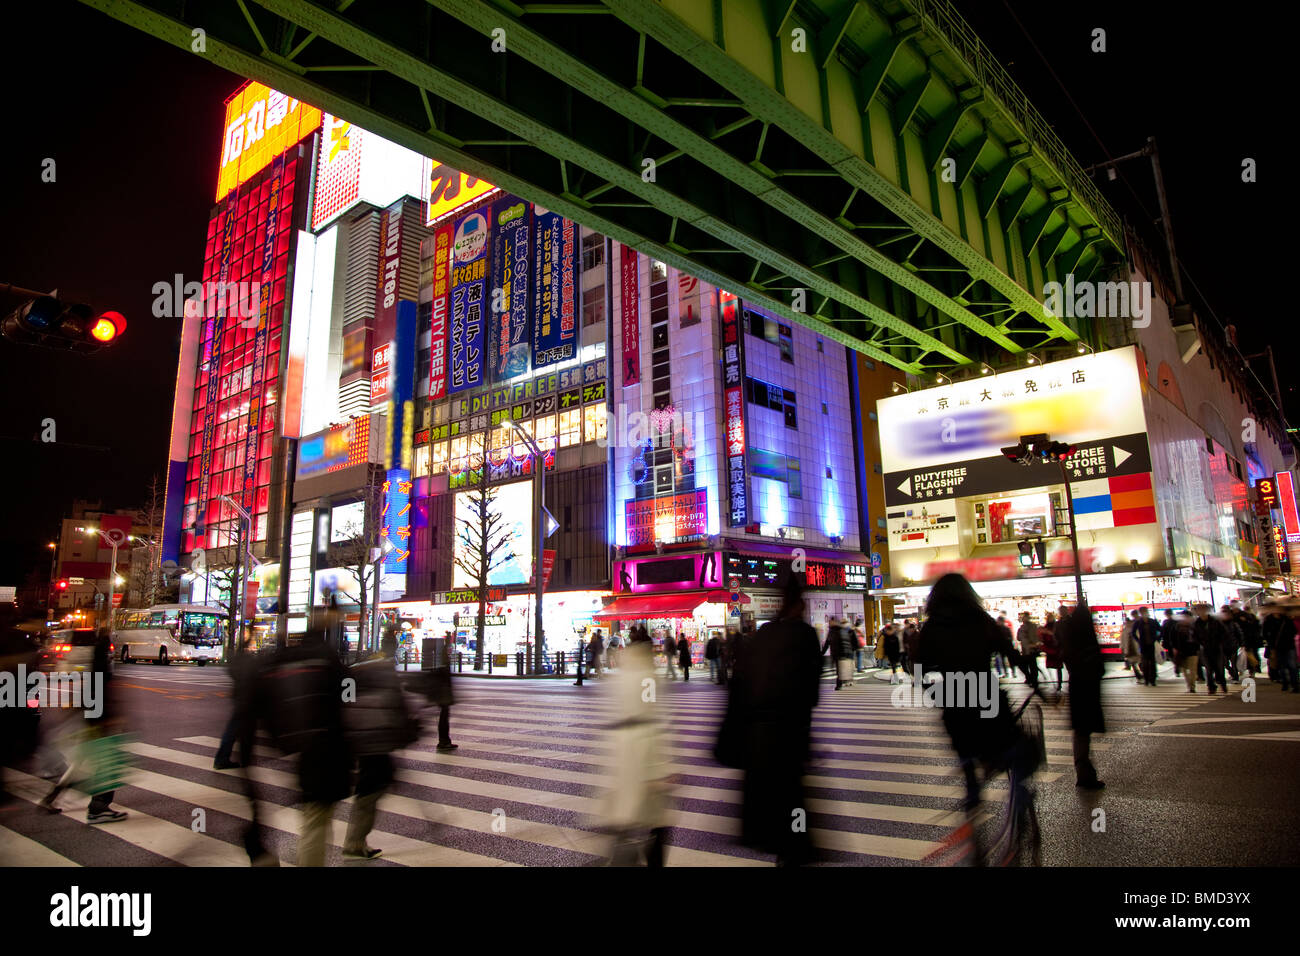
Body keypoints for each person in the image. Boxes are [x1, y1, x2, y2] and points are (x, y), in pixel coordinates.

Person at [727, 575, 821, 865]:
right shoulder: (804, 636)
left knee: (768, 818)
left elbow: (741, 686)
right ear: (800, 603)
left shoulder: (763, 636)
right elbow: (811, 694)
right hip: (789, 740)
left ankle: (781, 851)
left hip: (758, 744)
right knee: (793, 818)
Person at [916, 574, 1022, 809]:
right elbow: (1008, 650)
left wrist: (930, 689)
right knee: (1006, 738)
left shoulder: (932, 626)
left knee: (962, 740)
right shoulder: (979, 619)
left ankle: (972, 785)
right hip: (985, 690)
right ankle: (1011, 776)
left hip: (953, 693)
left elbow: (918, 666)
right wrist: (1031, 675)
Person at [263, 624, 351, 866]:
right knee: (317, 819)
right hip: (328, 750)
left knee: (315, 815)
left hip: (302, 750)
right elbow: (349, 701)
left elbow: (268, 708)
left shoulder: (288, 666)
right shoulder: (331, 665)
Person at [39, 630, 131, 823]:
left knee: (79, 764)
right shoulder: (102, 672)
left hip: (92, 722)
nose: (111, 653)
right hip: (99, 724)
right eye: (109, 650)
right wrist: (110, 721)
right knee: (106, 765)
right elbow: (101, 698)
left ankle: (51, 798)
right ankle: (99, 808)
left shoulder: (97, 671)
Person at [342, 630, 417, 860]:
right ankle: (354, 841)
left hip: (361, 737)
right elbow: (398, 706)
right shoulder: (386, 672)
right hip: (377, 737)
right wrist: (406, 730)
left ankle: (355, 839)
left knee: (372, 784)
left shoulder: (361, 666)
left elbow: (346, 697)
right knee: (373, 787)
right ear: (393, 649)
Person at [602, 627, 669, 865]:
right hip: (643, 754)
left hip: (621, 754)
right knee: (657, 823)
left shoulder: (623, 673)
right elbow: (649, 718)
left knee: (625, 820)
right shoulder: (646, 676)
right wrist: (659, 768)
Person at [1058, 605, 1105, 790]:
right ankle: (1085, 775)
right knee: (1084, 733)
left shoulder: (1071, 639)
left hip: (1077, 689)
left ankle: (1084, 772)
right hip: (1088, 691)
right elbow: (1098, 667)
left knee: (1081, 733)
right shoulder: (1088, 640)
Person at [215, 632, 259, 769]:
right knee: (240, 729)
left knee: (234, 728)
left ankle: (225, 758)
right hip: (247, 698)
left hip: (240, 697)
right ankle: (234, 759)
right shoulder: (248, 662)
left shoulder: (237, 660)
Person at [427, 632, 457, 751]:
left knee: (444, 717)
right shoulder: (442, 663)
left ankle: (445, 740)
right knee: (444, 718)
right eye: (450, 648)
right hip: (443, 694)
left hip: (444, 694)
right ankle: (444, 741)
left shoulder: (443, 661)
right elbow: (443, 679)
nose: (451, 650)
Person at [1193, 604, 1229, 695]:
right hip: (1205, 649)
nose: (1199, 612)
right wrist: (1200, 644)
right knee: (1208, 669)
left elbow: (1224, 633)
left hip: (1216, 647)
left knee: (1219, 668)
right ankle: (1211, 687)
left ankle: (1222, 684)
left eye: (1201, 610)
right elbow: (1194, 636)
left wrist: (1221, 643)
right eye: (1198, 610)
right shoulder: (1197, 623)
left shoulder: (1215, 621)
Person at [1135, 607, 1160, 686]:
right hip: (1143, 644)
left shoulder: (1152, 621)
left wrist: (1156, 639)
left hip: (1151, 644)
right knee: (1145, 662)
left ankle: (1152, 680)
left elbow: (1160, 630)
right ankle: (1146, 679)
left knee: (1152, 662)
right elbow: (1133, 632)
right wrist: (1138, 641)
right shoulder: (1139, 622)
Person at [1177, 611, 1201, 693]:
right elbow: (1172, 639)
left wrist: (1198, 647)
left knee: (1193, 670)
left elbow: (1199, 637)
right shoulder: (1177, 627)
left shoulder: (1194, 627)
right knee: (1185, 670)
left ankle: (1192, 687)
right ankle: (1189, 685)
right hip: (1182, 652)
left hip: (1193, 651)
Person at [1039, 612, 1063, 694]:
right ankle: (1056, 683)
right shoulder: (1048, 626)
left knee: (1058, 667)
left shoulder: (1054, 626)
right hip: (1051, 649)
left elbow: (1057, 636)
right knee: (1054, 666)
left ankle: (1059, 684)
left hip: (1055, 648)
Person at [1016, 612, 1040, 687]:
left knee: (1031, 665)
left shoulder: (1028, 627)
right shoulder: (1026, 627)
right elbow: (1019, 638)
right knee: (1031, 665)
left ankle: (1032, 679)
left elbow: (1019, 638)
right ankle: (1031, 679)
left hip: (1029, 649)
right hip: (1028, 649)